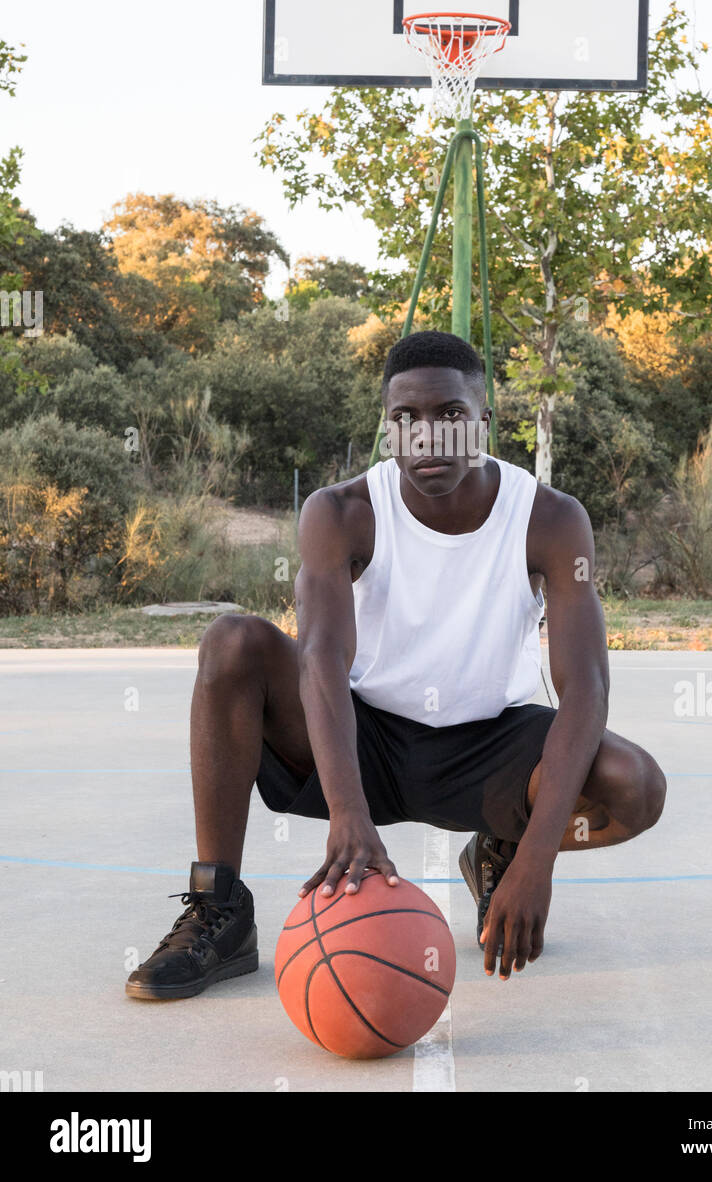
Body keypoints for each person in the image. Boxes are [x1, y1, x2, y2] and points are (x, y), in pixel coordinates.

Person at [126, 330, 666, 1000]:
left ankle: (498, 846)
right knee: (232, 642)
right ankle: (219, 909)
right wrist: (349, 810)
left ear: (485, 422)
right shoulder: (342, 511)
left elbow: (584, 688)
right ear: (388, 428)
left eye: (450, 416)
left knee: (635, 786)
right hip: (365, 739)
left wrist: (538, 857)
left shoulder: (550, 518)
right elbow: (321, 656)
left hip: (490, 749)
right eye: (406, 419)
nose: (427, 437)